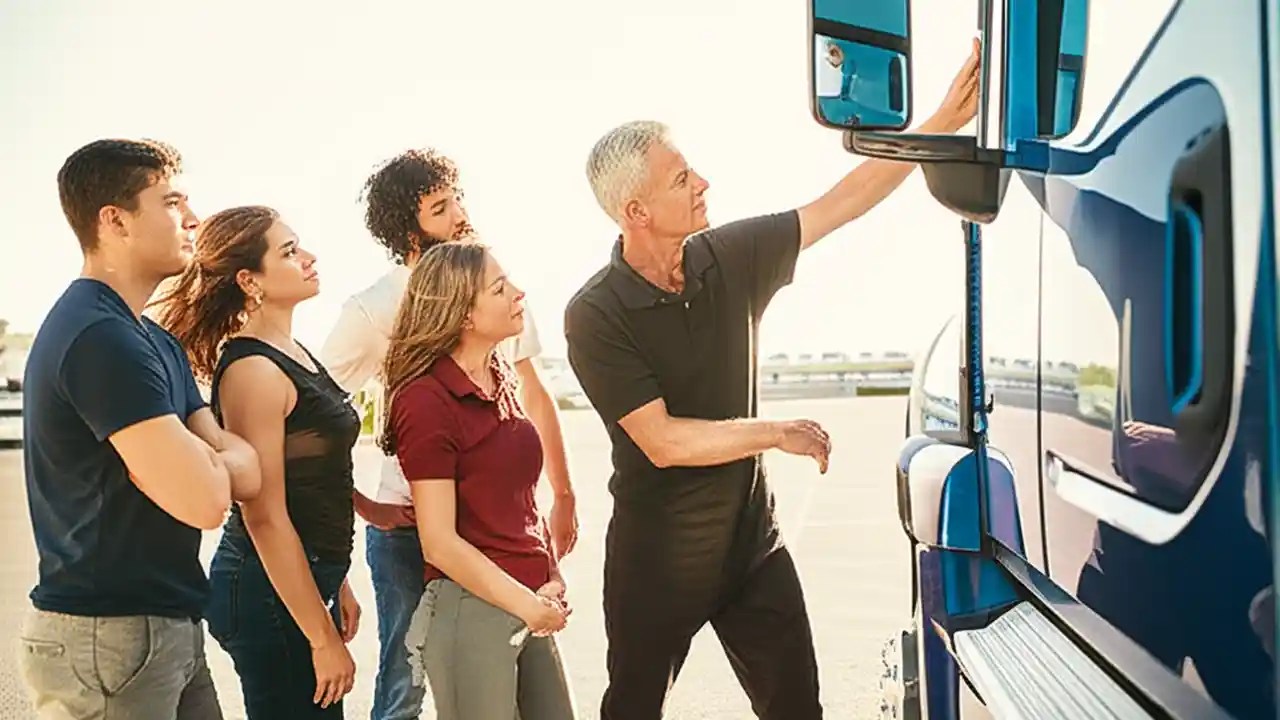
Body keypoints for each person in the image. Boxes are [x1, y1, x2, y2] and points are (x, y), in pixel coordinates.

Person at [564, 44, 981, 720]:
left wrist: (934, 127)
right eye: (681, 179)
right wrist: (774, 432)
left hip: (750, 549)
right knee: (632, 709)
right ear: (635, 211)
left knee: (797, 709)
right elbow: (663, 441)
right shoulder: (595, 313)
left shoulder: (729, 255)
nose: (702, 183)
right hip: (657, 562)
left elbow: (840, 202)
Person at [319, 148, 579, 720]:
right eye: (440, 207)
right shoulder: (375, 309)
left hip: (493, 526)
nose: (459, 214)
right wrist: (362, 503)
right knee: (404, 685)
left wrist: (561, 496)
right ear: (405, 228)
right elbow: (314, 410)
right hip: (412, 527)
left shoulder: (490, 284)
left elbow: (532, 396)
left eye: (456, 199)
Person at [18, 138, 261, 719]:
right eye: (172, 202)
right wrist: (209, 464)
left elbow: (245, 474)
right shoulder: (98, 338)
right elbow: (206, 501)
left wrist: (205, 463)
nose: (194, 219)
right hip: (106, 635)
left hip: (168, 625)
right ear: (116, 221)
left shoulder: (157, 343)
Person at [153, 205, 362, 717]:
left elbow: (311, 482)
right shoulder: (254, 370)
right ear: (250, 281)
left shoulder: (290, 350)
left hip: (302, 580)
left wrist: (336, 584)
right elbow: (263, 513)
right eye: (289, 252)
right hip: (265, 592)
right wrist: (321, 637)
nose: (309, 257)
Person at [382, 241, 576, 720]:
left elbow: (519, 500)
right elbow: (439, 543)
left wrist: (549, 573)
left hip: (530, 601)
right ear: (464, 313)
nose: (518, 293)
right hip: (473, 610)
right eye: (499, 287)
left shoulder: (500, 376)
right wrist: (527, 604)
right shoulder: (425, 400)